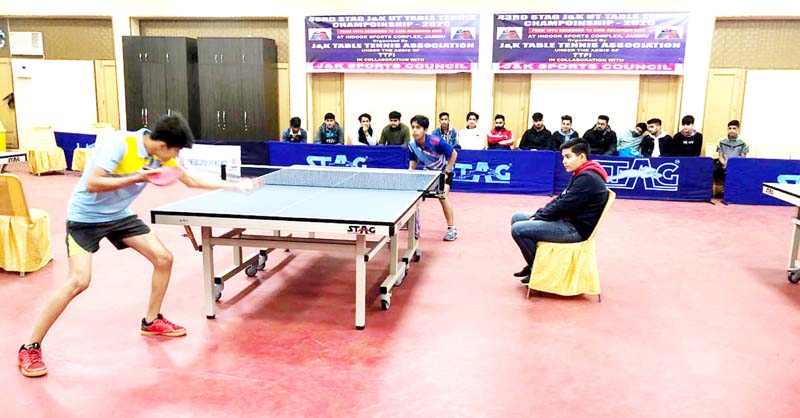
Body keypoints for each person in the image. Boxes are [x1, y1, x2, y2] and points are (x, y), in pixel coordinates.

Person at [17, 114, 255, 378]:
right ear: (162, 144)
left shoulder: (162, 155)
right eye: (175, 151)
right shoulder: (120, 144)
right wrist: (137, 177)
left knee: (163, 258)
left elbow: (191, 180)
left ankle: (151, 321)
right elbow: (93, 183)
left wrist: (235, 185)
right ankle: (30, 346)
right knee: (79, 281)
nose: (175, 157)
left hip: (119, 215)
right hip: (85, 218)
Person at [510, 138, 609, 285]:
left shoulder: (587, 178)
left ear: (582, 157)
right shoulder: (582, 174)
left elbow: (563, 205)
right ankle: (535, 266)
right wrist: (539, 214)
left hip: (575, 229)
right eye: (563, 157)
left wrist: (538, 217)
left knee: (518, 229)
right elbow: (561, 200)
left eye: (568, 157)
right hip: (567, 221)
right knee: (517, 218)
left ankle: (539, 271)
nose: (564, 161)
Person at [408, 115, 459, 241]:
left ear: (425, 130)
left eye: (418, 127)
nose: (414, 130)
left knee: (442, 196)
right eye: (413, 127)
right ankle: (410, 224)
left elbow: (454, 153)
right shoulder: (411, 144)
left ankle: (451, 229)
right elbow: (413, 161)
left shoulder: (435, 141)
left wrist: (446, 172)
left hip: (444, 172)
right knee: (412, 196)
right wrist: (409, 173)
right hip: (428, 173)